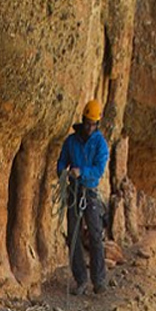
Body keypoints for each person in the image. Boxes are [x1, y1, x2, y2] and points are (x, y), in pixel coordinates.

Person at [56, 99, 110, 296]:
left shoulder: (100, 145)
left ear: (97, 124)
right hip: (74, 192)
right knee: (73, 235)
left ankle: (99, 280)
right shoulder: (71, 141)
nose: (89, 127)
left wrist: (81, 172)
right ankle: (81, 279)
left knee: (95, 235)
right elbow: (61, 162)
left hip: (89, 192)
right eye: (87, 123)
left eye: (92, 124)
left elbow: (98, 170)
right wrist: (63, 172)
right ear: (84, 120)